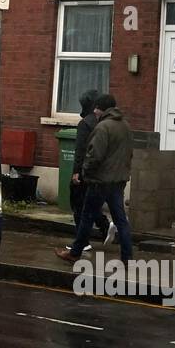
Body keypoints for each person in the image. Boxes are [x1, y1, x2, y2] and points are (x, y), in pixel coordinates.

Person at [57, 93, 133, 264]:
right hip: (118, 180)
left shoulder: (103, 127)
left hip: (100, 181)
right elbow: (129, 153)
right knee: (121, 220)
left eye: (97, 108)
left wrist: (85, 172)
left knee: (86, 216)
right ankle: (127, 257)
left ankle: (75, 252)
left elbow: (94, 156)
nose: (95, 111)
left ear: (102, 109)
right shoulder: (125, 126)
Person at [70, 89, 110, 241]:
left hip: (85, 169)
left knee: (78, 204)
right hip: (100, 170)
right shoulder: (104, 123)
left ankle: (82, 240)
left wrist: (76, 171)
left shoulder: (85, 124)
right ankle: (104, 226)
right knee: (91, 204)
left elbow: (80, 150)